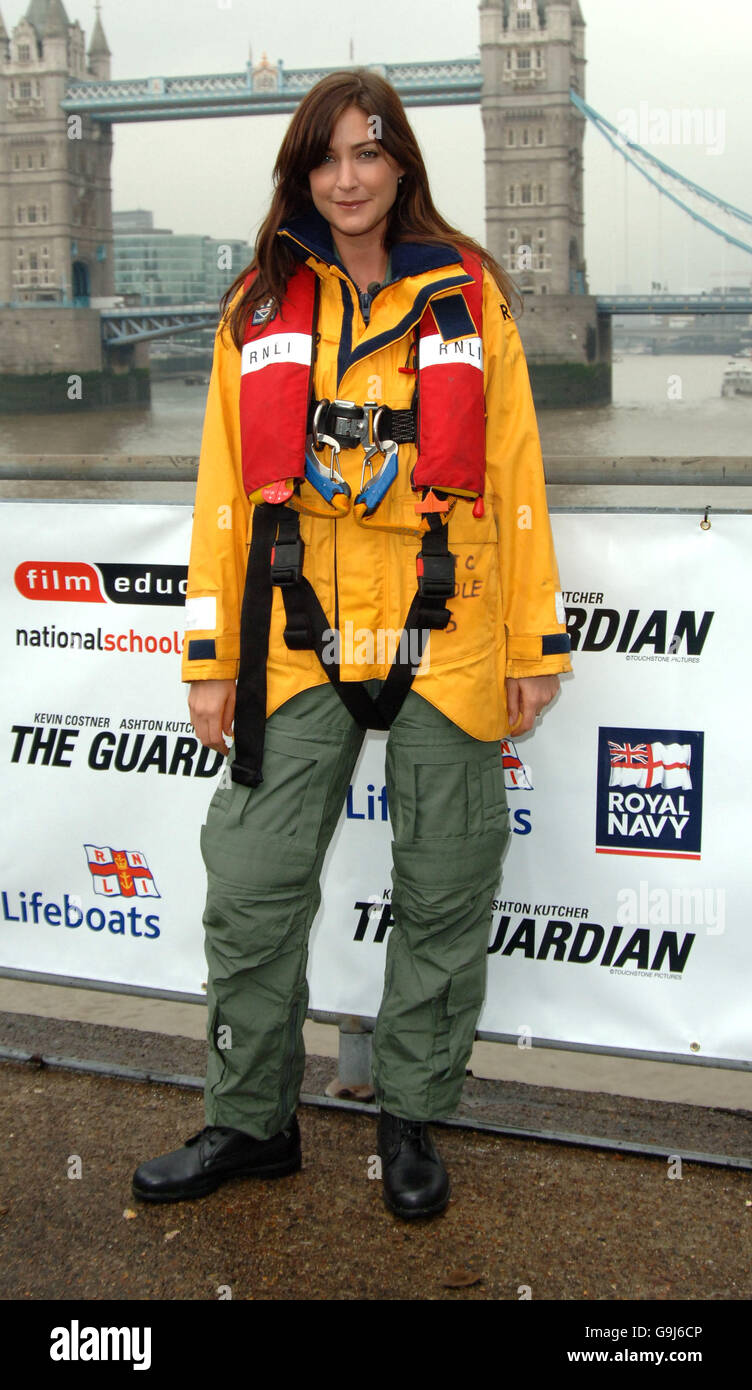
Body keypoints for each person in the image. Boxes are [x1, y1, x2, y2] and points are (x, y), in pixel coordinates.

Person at [132, 69, 572, 1219]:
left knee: (443, 884)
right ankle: (249, 1119)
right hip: (295, 633)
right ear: (302, 170)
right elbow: (224, 495)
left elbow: (516, 473)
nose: (346, 177)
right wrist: (209, 658)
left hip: (450, 628)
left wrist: (533, 637)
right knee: (251, 885)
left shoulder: (471, 294)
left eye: (366, 154)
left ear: (400, 164)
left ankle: (411, 1119)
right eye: (325, 157)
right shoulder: (258, 303)